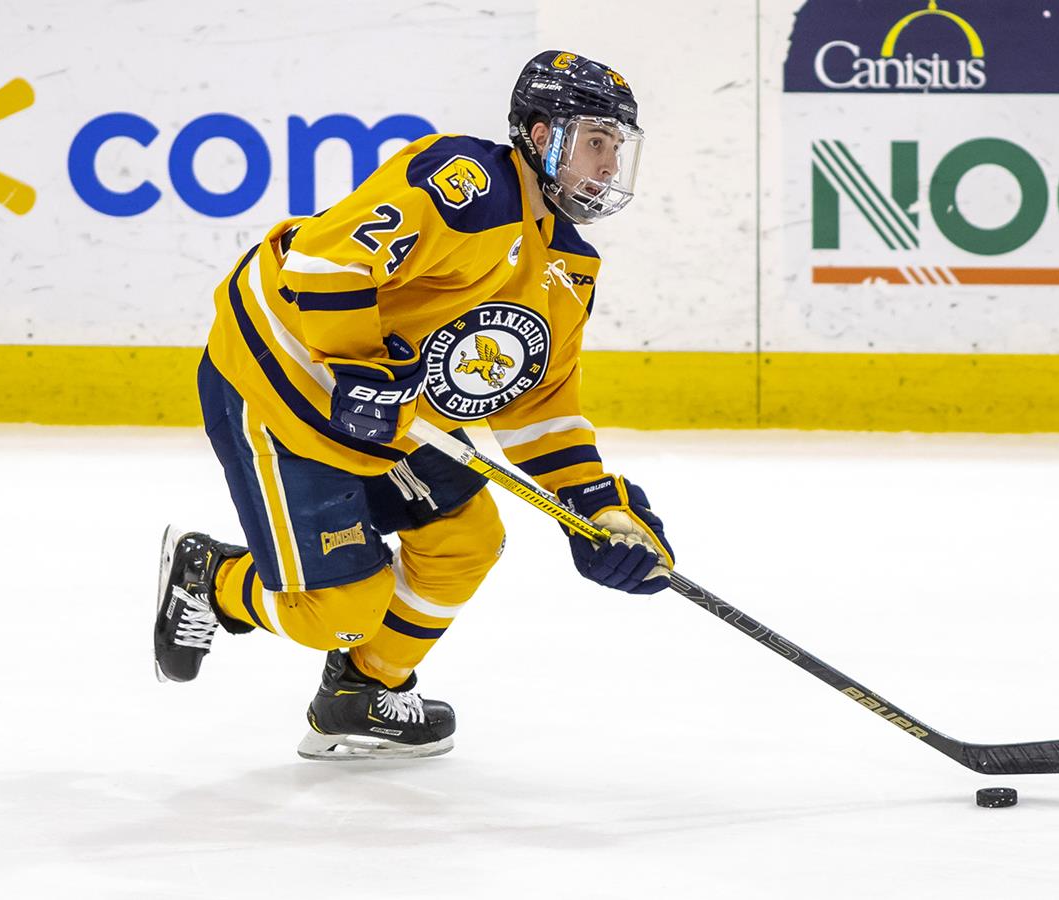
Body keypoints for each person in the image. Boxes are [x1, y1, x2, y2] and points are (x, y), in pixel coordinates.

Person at [153, 50, 675, 761]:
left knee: (466, 541)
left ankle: (362, 692)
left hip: (388, 412)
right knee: (337, 612)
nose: (609, 166)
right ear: (541, 135)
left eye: (618, 148)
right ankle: (210, 579)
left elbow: (539, 404)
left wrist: (597, 505)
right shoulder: (465, 186)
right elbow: (323, 262)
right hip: (279, 382)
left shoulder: (568, 267)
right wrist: (360, 368)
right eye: (596, 142)